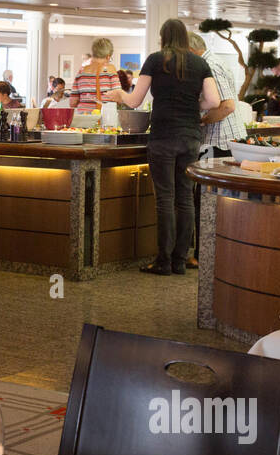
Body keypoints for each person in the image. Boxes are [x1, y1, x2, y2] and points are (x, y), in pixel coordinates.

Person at [105, 18, 220, 276]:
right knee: (186, 198)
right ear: (185, 39)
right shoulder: (200, 63)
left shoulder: (156, 60)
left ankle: (163, 261)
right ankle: (181, 260)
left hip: (163, 136)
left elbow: (135, 101)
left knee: (165, 199)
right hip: (190, 136)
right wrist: (192, 104)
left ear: (163, 37)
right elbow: (213, 101)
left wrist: (119, 95)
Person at [187, 36, 245, 269]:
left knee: (206, 201)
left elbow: (227, 105)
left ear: (191, 50)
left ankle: (203, 256)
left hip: (218, 142)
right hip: (226, 140)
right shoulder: (215, 62)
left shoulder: (209, 65)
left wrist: (203, 121)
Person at [68, 38, 121, 110]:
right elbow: (118, 98)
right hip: (104, 118)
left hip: (84, 118)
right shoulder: (110, 70)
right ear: (108, 56)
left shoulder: (81, 72)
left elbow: (73, 102)